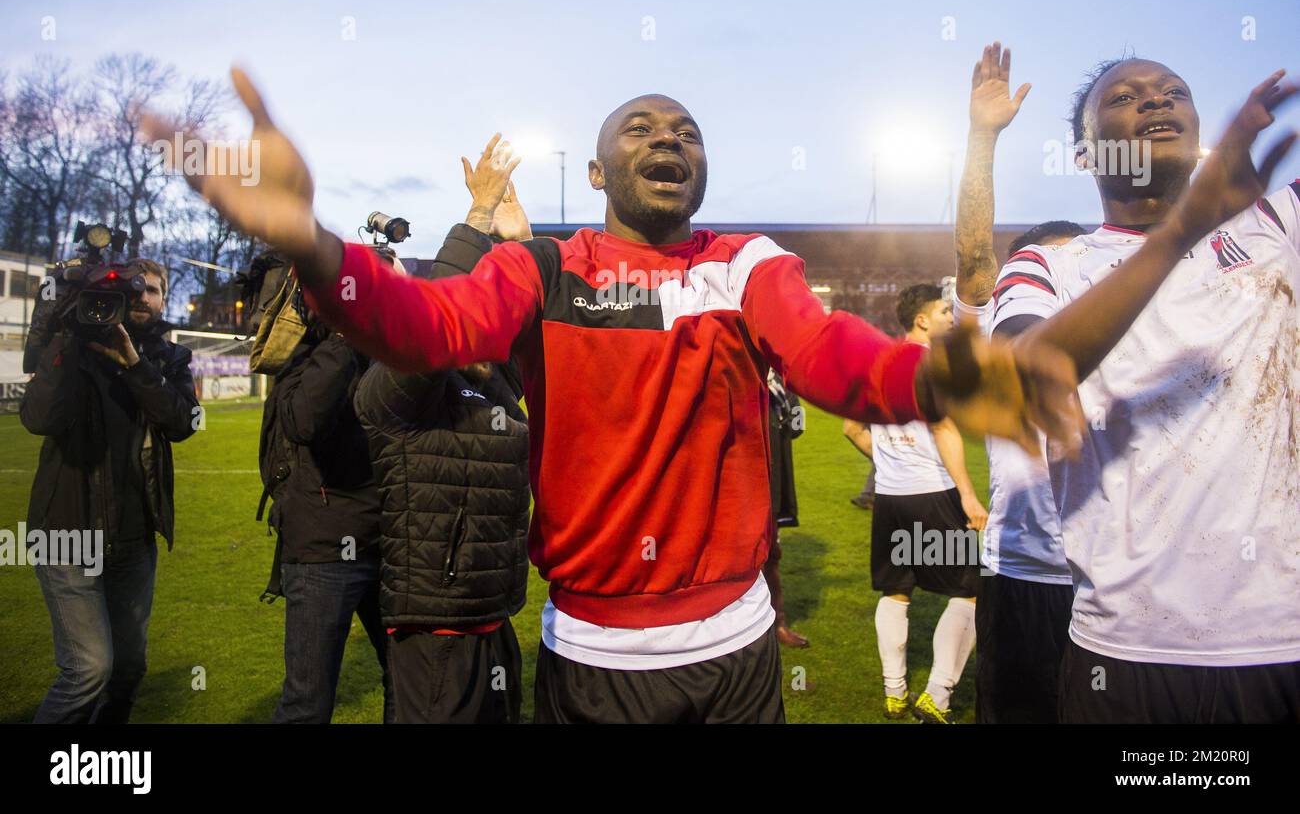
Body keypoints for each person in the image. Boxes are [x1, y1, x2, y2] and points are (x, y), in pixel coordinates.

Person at [148, 72, 1086, 724]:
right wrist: (315, 249)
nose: (668, 137)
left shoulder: (745, 261)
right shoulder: (543, 268)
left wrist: (928, 379)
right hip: (594, 657)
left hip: (739, 650)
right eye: (640, 128)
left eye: (685, 130)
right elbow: (424, 327)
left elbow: (823, 351)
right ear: (597, 174)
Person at [993, 59, 1299, 722]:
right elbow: (1027, 370)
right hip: (1126, 648)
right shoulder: (1051, 262)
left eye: (1175, 92)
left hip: (1283, 639)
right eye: (1125, 97)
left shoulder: (1279, 224)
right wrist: (1185, 226)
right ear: (1083, 150)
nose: (1156, 100)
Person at [355, 135, 534, 723]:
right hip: (436, 628)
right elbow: (432, 330)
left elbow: (542, 335)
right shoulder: (396, 390)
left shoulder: (495, 380)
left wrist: (526, 248)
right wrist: (477, 218)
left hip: (494, 616)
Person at [951, 41, 1086, 723]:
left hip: (1119, 580)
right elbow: (976, 256)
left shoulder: (1121, 302)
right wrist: (981, 140)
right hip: (1026, 573)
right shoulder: (1007, 299)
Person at [21, 258, 198, 723]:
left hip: (134, 539)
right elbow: (38, 419)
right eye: (133, 292)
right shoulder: (76, 346)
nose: (143, 298)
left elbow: (182, 422)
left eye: (153, 291)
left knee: (128, 668)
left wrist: (136, 365)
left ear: (165, 299)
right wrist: (65, 335)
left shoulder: (170, 358)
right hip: (67, 534)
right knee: (89, 668)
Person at [843, 284, 986, 724]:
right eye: (945, 311)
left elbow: (852, 428)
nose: (951, 317)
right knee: (969, 592)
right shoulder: (930, 366)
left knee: (897, 590)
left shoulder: (877, 364)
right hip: (933, 494)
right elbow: (944, 431)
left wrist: (888, 461)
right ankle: (937, 696)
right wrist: (967, 494)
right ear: (922, 320)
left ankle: (894, 692)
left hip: (890, 498)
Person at [259, 288, 393, 723]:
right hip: (322, 547)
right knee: (307, 702)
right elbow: (303, 422)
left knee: (410, 685)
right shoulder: (303, 353)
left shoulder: (388, 350)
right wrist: (342, 335)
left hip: (391, 541)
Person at [763, 369, 808, 648]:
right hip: (740, 480)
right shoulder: (739, 367)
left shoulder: (779, 379)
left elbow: (797, 427)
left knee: (771, 553)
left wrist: (789, 395)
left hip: (773, 479)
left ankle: (778, 622)